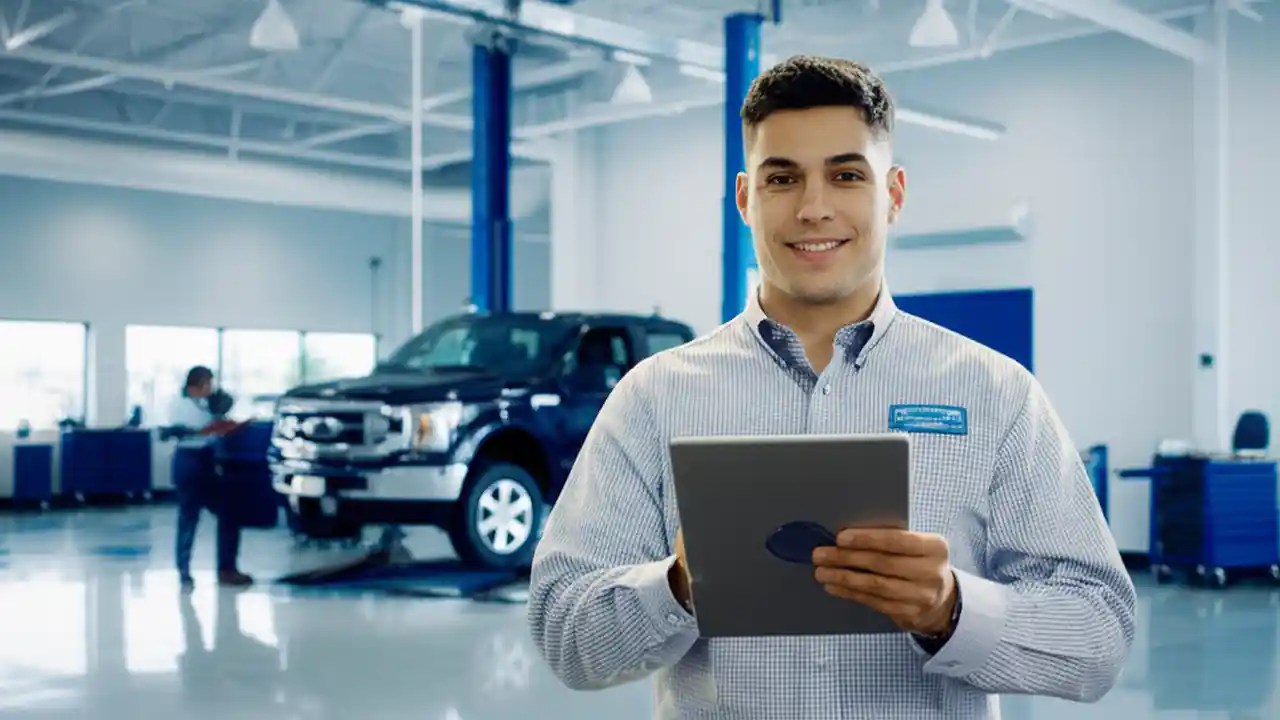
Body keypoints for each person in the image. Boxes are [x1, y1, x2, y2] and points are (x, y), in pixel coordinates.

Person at [527, 55, 1136, 719]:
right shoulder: (654, 399)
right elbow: (565, 634)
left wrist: (949, 608)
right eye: (782, 178)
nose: (814, 208)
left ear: (893, 194)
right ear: (744, 199)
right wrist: (677, 585)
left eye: (846, 175)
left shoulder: (995, 395)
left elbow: (1099, 634)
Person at [168, 365, 253, 591]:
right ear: (195, 386)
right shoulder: (179, 405)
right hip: (188, 462)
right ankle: (184, 571)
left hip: (206, 462)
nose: (211, 389)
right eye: (208, 385)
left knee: (229, 514)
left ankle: (227, 569)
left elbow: (215, 425)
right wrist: (211, 425)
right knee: (189, 518)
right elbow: (185, 430)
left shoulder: (205, 405)